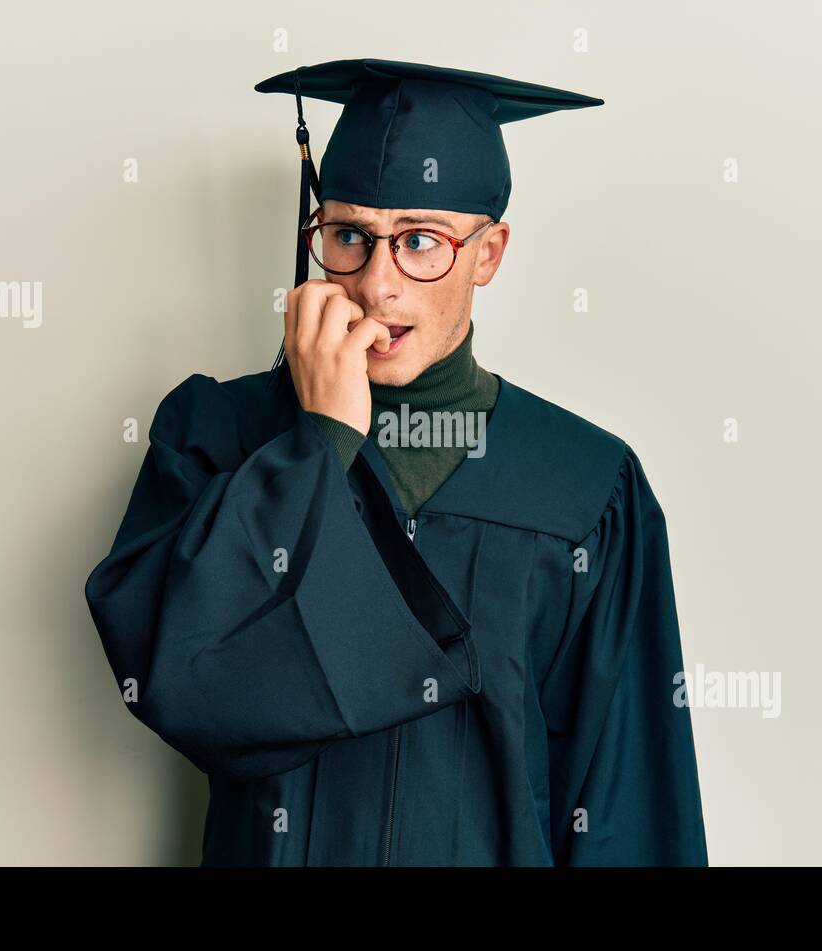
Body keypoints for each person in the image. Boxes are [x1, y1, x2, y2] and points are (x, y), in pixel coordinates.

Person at [85, 58, 708, 866]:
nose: (378, 285)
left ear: (488, 254)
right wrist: (321, 442)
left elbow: (630, 799)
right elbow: (181, 684)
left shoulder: (587, 483)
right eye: (348, 236)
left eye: (421, 242)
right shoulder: (217, 434)